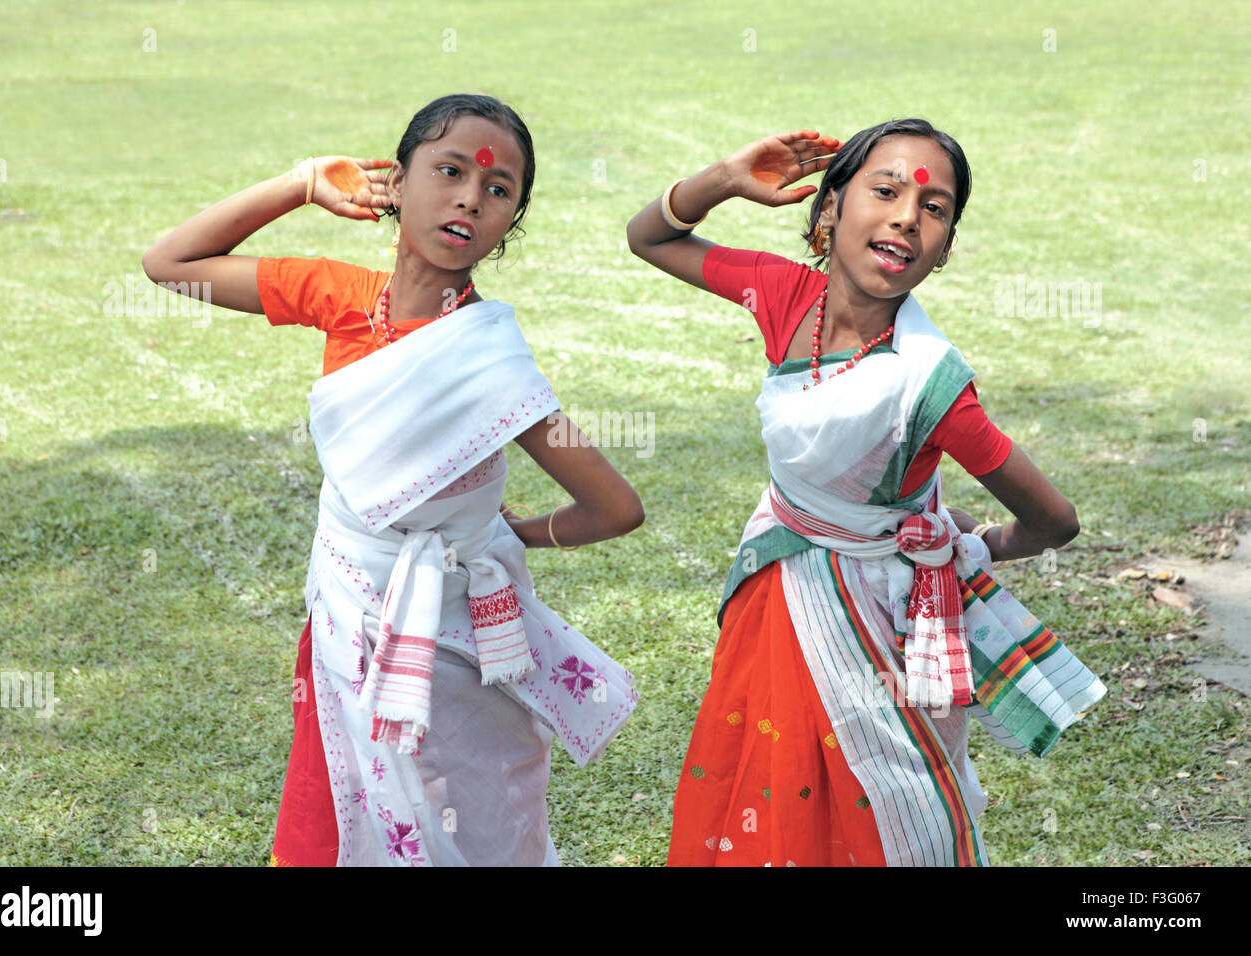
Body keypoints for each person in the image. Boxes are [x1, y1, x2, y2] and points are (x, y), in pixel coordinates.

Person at [143, 94, 644, 866]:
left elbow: (614, 507)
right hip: (350, 618)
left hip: (458, 642)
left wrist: (516, 534)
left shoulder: (491, 361)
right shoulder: (338, 297)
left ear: (510, 222)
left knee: (471, 814)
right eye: (448, 171)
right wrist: (302, 181)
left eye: (499, 189)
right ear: (396, 183)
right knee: (335, 813)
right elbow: (169, 264)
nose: (471, 197)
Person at [627, 119, 1105, 867]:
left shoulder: (934, 385)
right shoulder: (786, 296)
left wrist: (972, 547)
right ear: (828, 213)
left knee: (888, 800)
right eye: (885, 190)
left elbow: (1054, 520)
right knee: (769, 784)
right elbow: (649, 238)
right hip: (781, 590)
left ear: (943, 250)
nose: (908, 215)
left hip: (880, 619)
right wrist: (725, 178)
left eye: (936, 207)